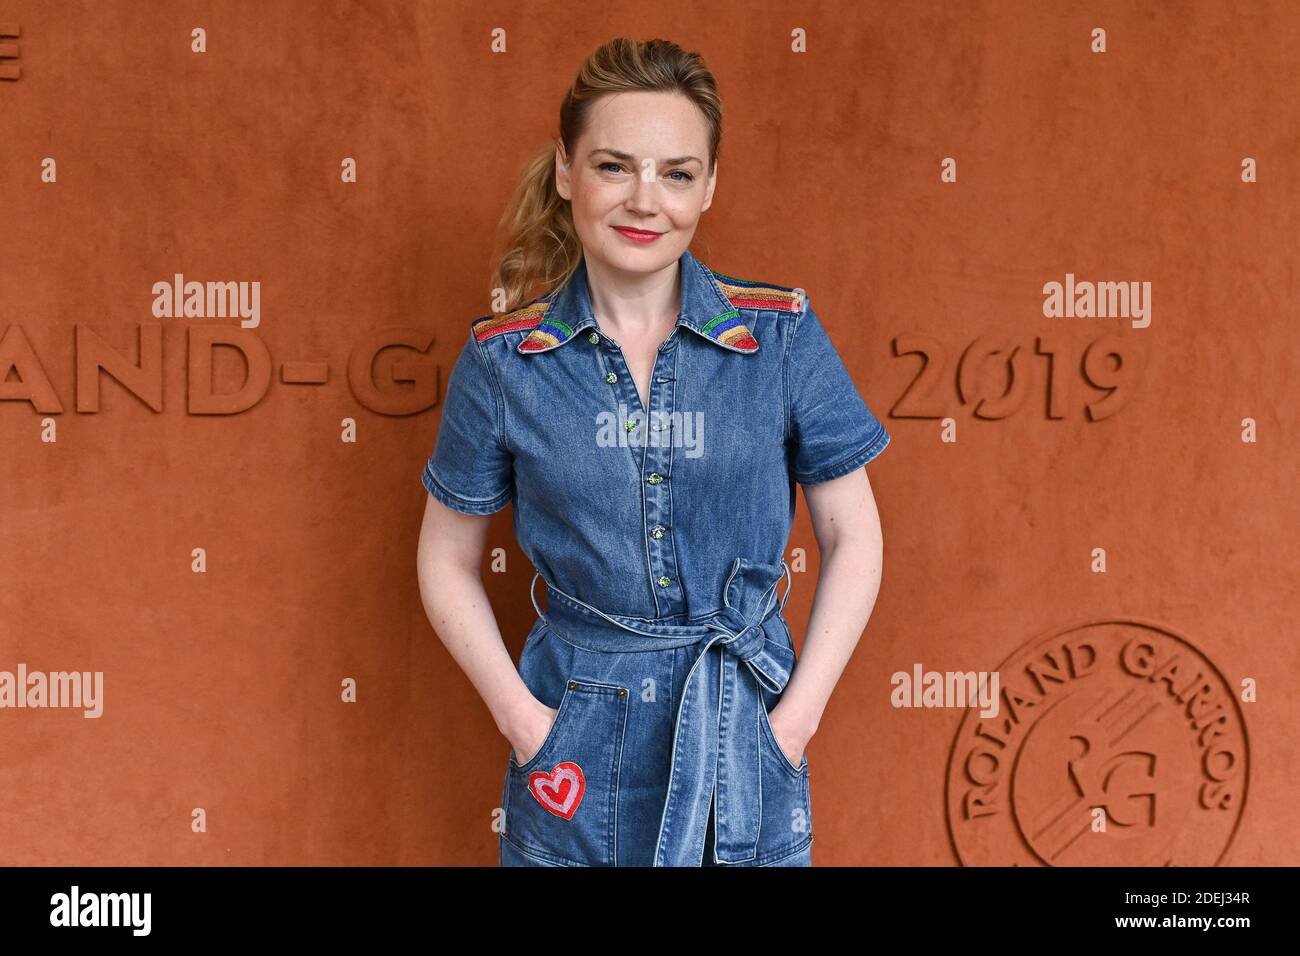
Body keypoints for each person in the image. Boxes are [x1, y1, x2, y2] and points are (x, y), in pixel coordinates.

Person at [416, 37, 889, 867]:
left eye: (675, 172)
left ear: (709, 185)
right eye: (614, 166)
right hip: (576, 733)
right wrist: (527, 726)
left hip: (744, 721)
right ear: (566, 171)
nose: (645, 200)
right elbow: (445, 557)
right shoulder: (502, 362)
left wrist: (793, 722)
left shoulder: (778, 335)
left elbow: (855, 537)